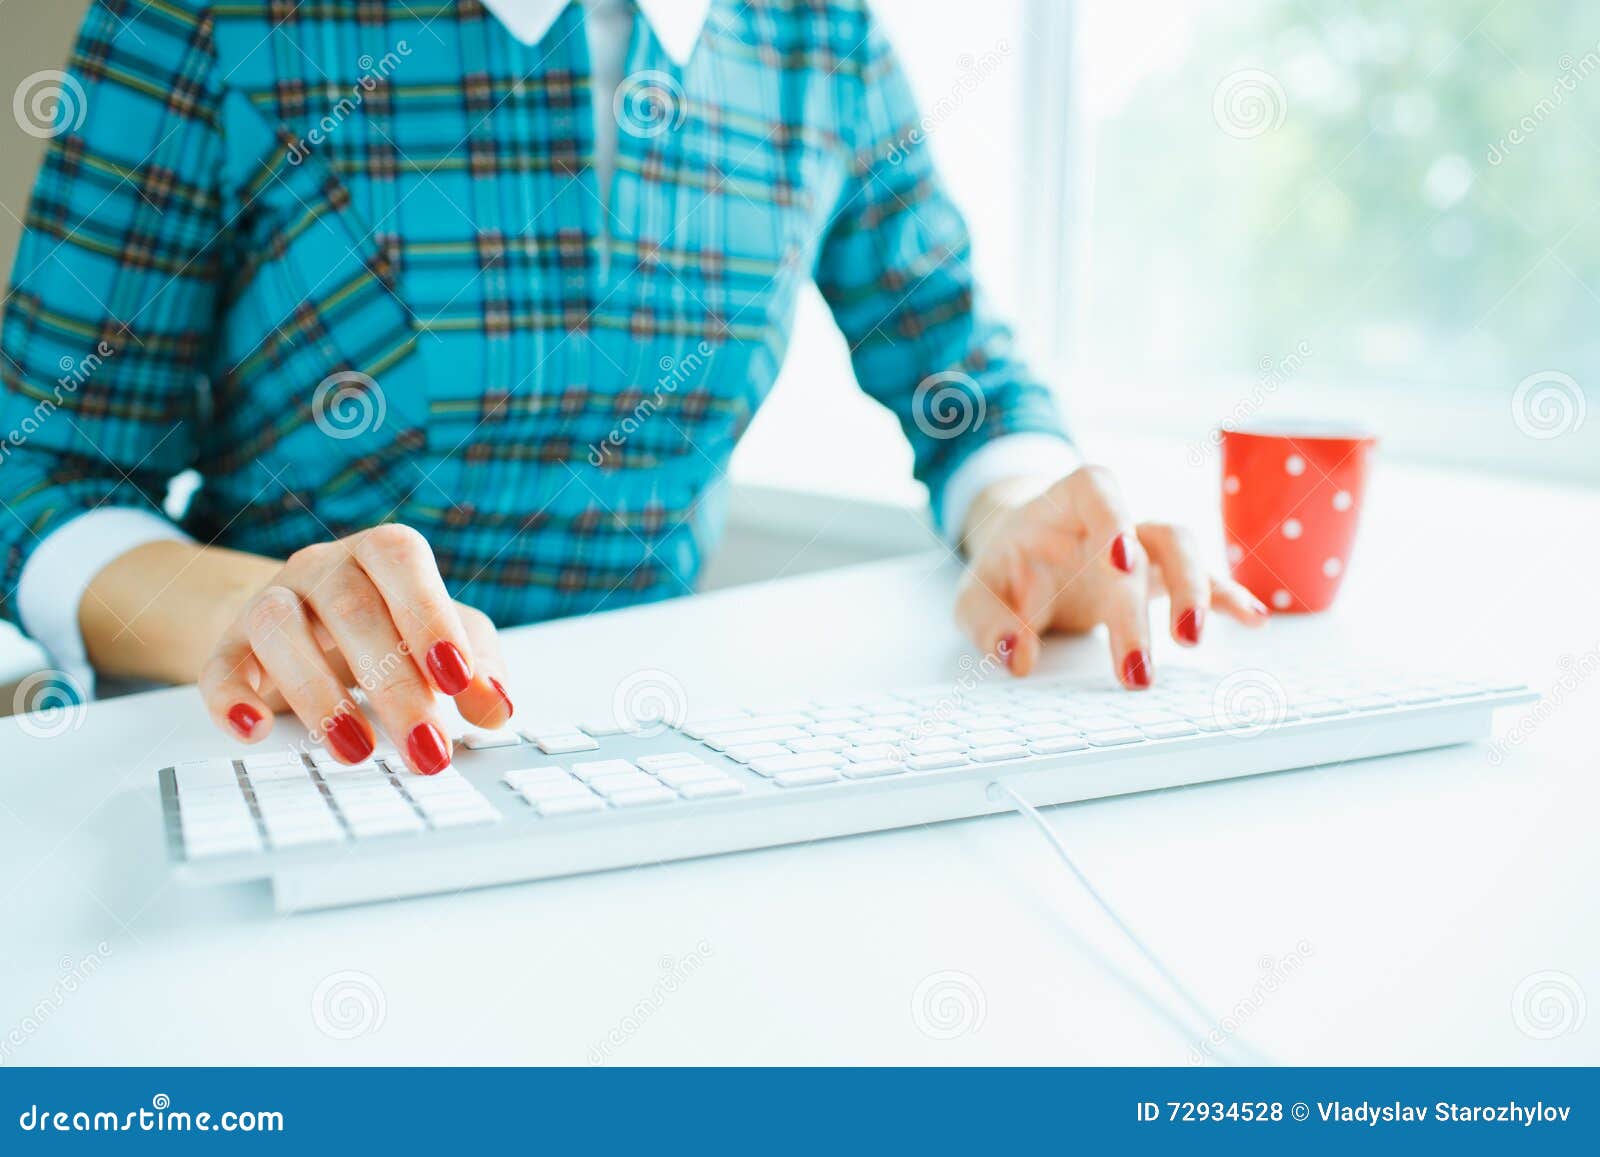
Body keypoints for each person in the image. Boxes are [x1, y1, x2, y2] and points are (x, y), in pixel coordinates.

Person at [0, 0, 1266, 777]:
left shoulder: (818, 33)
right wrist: (257, 608)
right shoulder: (212, 18)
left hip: (640, 765)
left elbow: (963, 379)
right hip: (277, 753)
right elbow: (40, 468)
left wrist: (1031, 518)